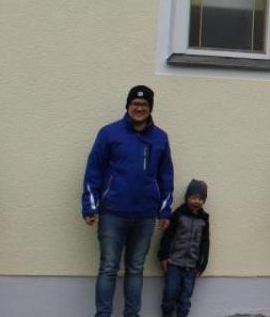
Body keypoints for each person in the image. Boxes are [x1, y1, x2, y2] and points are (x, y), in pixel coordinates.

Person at [83, 86, 175, 317]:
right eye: (135, 103)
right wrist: (90, 206)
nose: (139, 108)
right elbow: (93, 171)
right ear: (128, 106)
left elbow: (166, 176)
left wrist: (165, 211)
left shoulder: (160, 138)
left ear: (150, 108)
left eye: (144, 105)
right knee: (108, 268)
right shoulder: (109, 134)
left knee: (135, 270)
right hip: (113, 213)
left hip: (145, 216)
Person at [158, 179, 210, 317]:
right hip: (174, 263)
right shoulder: (178, 214)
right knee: (170, 293)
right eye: (193, 197)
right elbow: (167, 236)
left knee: (185, 297)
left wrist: (202, 263)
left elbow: (205, 243)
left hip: (192, 266)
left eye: (200, 199)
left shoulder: (204, 219)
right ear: (187, 197)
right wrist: (163, 255)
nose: (196, 201)